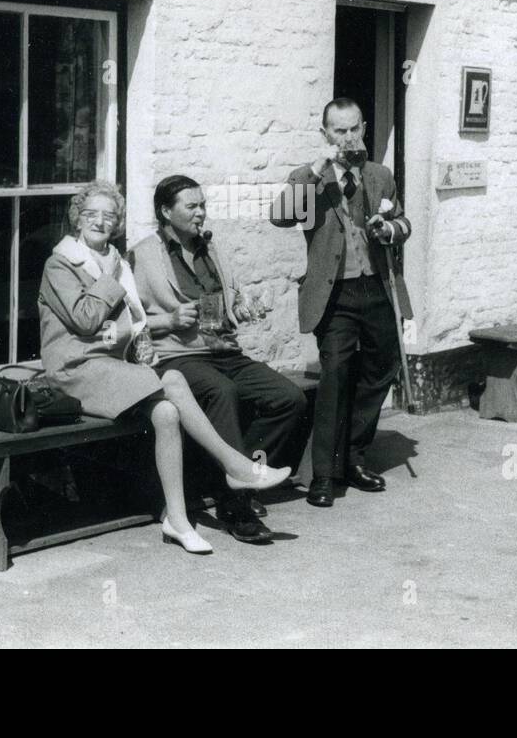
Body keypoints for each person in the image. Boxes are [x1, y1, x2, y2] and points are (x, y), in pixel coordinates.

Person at [38, 180, 290, 554]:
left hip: (112, 366)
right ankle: (235, 466)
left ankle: (177, 519)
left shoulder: (116, 262)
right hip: (75, 368)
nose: (101, 222)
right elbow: (87, 320)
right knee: (172, 378)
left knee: (168, 412)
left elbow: (134, 323)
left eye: (110, 216)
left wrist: (145, 346)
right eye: (92, 214)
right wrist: (110, 275)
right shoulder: (61, 263)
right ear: (77, 218)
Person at [128, 175, 306, 544]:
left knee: (290, 399)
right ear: (166, 211)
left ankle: (239, 473)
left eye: (203, 205)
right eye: (191, 206)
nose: (200, 213)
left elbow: (230, 301)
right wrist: (169, 320)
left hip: (223, 349)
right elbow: (127, 320)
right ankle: (236, 505)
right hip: (177, 356)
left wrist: (241, 309)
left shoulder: (212, 249)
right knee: (222, 392)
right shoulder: (142, 255)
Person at [270, 98, 413, 508]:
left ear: (364, 128)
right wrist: (317, 168)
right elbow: (280, 216)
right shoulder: (308, 177)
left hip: (378, 288)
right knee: (335, 375)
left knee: (381, 369)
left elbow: (403, 222)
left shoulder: (379, 175)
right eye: (338, 130)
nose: (347, 138)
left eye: (353, 129)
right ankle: (323, 475)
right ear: (325, 134)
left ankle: (352, 457)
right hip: (334, 294)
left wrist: (388, 228)